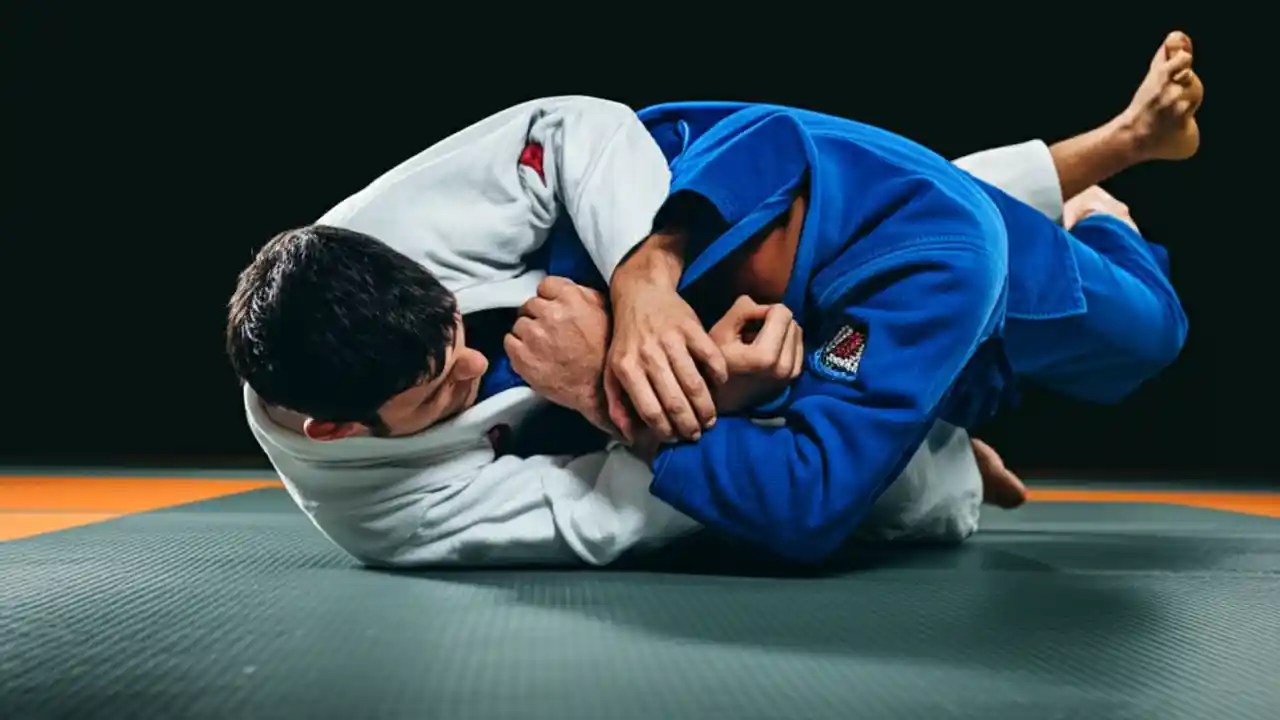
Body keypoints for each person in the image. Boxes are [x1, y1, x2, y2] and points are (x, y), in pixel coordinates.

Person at [226, 32, 1202, 567]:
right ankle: (1098, 162)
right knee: (874, 269)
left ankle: (1106, 182)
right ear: (337, 430)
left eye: (455, 331)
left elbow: (570, 130)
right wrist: (924, 467)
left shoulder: (380, 230)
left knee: (1143, 331)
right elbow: (624, 512)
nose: (482, 362)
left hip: (680, 267)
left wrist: (642, 289)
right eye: (441, 386)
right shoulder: (390, 518)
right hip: (695, 411)